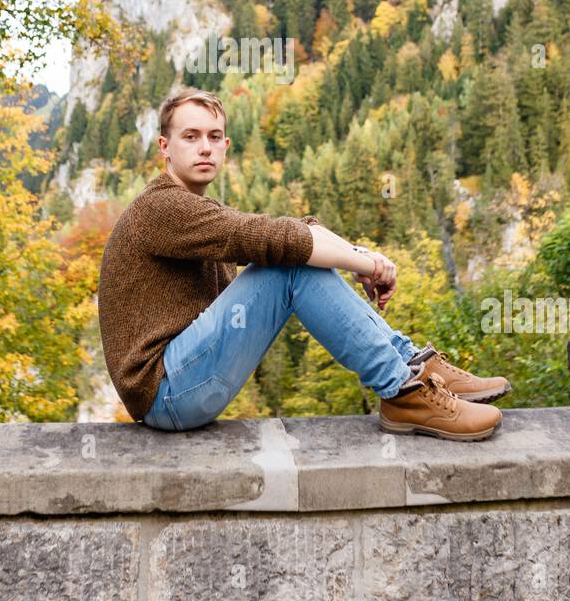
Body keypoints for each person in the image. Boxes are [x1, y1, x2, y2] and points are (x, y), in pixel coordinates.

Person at [97, 86, 509, 438]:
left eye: (214, 136)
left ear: (225, 146)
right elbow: (275, 240)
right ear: (165, 148)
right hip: (166, 391)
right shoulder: (160, 209)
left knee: (290, 255)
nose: (204, 146)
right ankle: (403, 391)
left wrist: (361, 258)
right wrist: (363, 264)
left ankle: (413, 365)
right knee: (288, 265)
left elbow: (290, 231)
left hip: (187, 382)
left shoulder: (196, 210)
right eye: (190, 136)